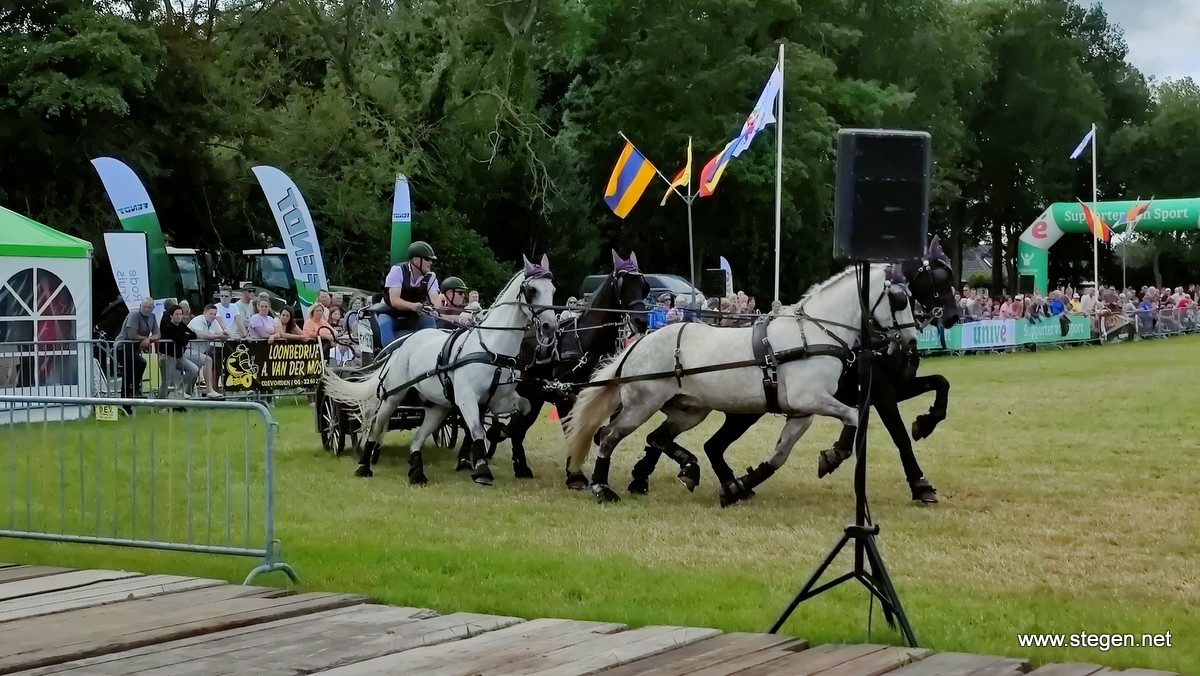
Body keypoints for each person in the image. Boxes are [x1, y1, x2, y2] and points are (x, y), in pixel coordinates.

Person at [380, 241, 442, 345]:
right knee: (384, 324)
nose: (430, 263)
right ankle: (388, 356)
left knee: (429, 321)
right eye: (427, 259)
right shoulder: (398, 270)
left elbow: (436, 302)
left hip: (414, 314)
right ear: (416, 259)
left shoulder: (431, 277)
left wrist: (435, 310)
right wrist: (413, 306)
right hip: (391, 313)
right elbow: (395, 301)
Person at [114, 298, 160, 406]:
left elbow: (158, 334)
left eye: (149, 307)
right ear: (140, 306)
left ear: (153, 308)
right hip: (123, 346)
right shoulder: (134, 315)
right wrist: (145, 338)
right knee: (134, 368)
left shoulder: (152, 317)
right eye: (144, 306)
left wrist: (149, 339)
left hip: (135, 347)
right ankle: (132, 392)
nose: (146, 309)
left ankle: (130, 396)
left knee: (133, 369)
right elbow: (131, 335)